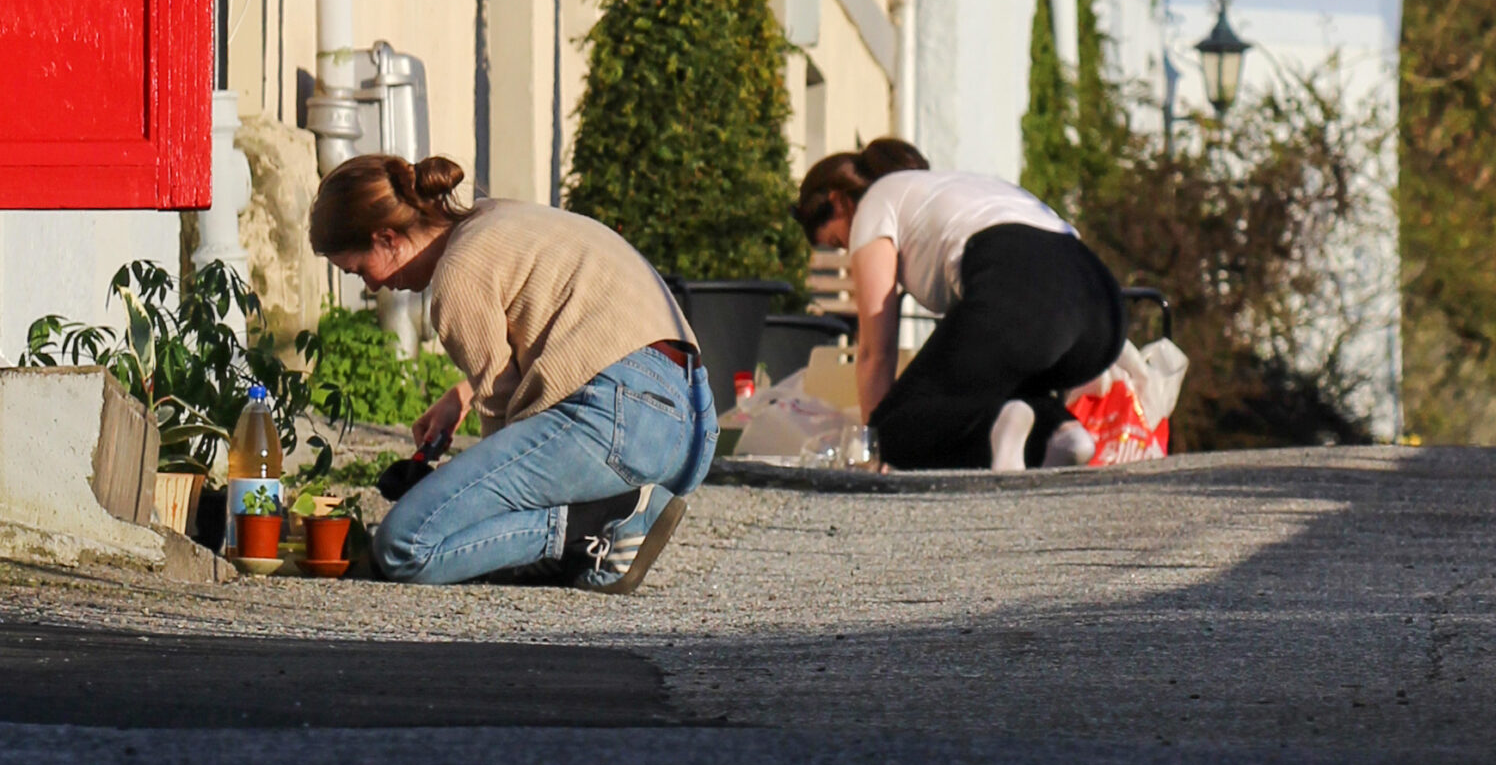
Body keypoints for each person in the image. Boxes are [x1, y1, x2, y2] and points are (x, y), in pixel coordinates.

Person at [308, 154, 716, 591]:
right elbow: (571, 330)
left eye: (358, 270)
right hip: (689, 431)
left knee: (403, 546)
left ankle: (593, 530)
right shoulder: (494, 216)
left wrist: (453, 506)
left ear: (387, 238)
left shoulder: (456, 273)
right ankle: (612, 514)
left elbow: (503, 428)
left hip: (620, 424)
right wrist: (464, 393)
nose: (370, 287)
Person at [794, 139, 1123, 471]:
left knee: (895, 428)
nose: (849, 253)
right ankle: (1059, 434)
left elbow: (875, 353)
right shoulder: (954, 188)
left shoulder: (872, 204)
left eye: (838, 241)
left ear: (838, 202)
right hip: (1102, 312)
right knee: (987, 376)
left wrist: (878, 451)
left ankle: (996, 429)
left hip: (1022, 291)